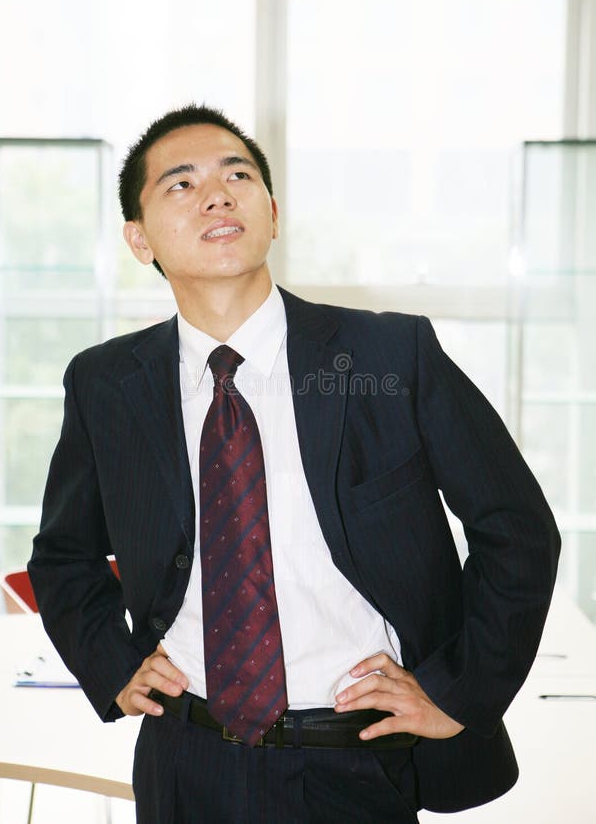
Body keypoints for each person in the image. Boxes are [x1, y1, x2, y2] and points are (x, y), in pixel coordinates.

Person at [29, 104, 560, 824]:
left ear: (271, 214)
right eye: (180, 185)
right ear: (138, 238)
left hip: (357, 760)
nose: (217, 194)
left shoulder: (385, 358)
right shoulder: (105, 384)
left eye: (237, 175)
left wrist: (457, 689)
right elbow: (65, 556)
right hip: (186, 762)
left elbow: (517, 527)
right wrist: (112, 665)